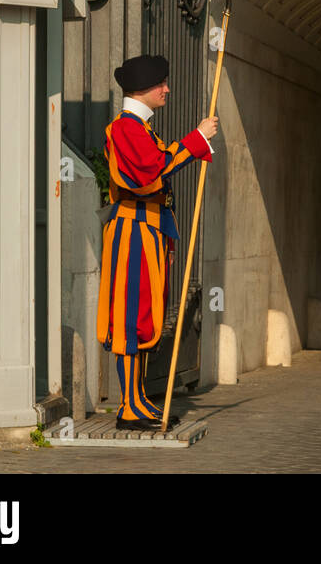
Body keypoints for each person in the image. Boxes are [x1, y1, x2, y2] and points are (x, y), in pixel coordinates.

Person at [97, 53, 219, 430]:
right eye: (161, 84)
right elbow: (153, 169)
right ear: (145, 89)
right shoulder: (125, 129)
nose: (167, 89)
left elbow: (159, 161)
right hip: (132, 232)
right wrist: (196, 140)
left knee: (145, 316)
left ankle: (138, 400)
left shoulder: (141, 128)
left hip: (147, 231)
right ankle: (129, 407)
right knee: (130, 318)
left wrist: (194, 145)